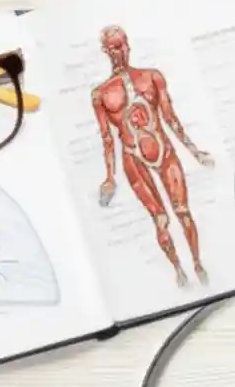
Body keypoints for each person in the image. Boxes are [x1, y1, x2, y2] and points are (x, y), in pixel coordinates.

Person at [90, 25, 214, 286]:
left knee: (183, 211)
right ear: (105, 51)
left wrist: (194, 152)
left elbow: (170, 117)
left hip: (164, 151)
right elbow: (107, 139)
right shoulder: (100, 94)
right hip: (133, 158)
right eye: (113, 47)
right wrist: (109, 177)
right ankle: (178, 270)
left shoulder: (152, 77)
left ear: (128, 45)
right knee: (160, 219)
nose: (120, 51)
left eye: (122, 45)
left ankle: (197, 264)